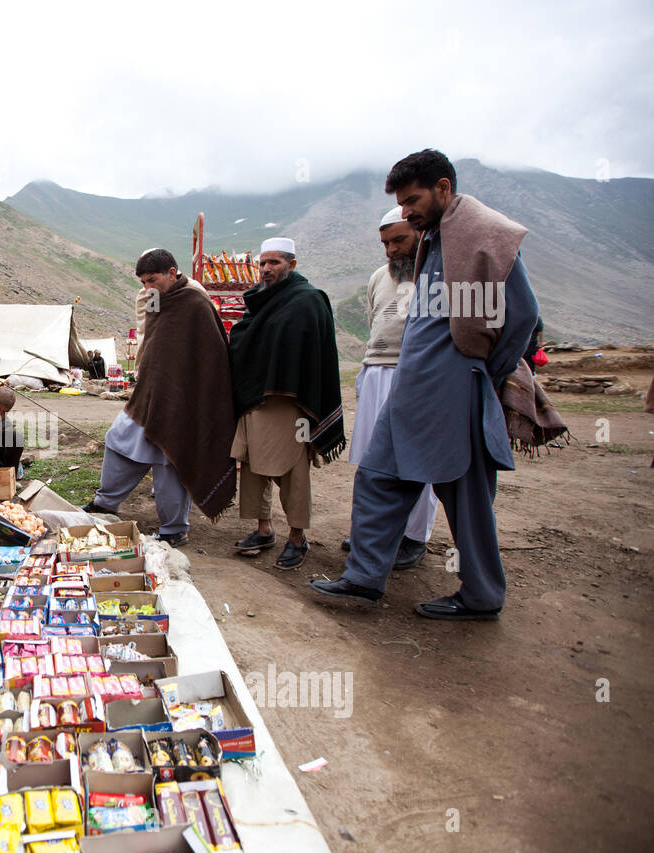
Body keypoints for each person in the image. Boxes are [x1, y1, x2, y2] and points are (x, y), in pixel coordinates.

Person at [311, 148, 562, 620]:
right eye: (402, 203)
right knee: (378, 476)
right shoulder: (437, 236)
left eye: (412, 200)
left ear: (443, 188)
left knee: (466, 500)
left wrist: (486, 368)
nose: (406, 212)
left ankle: (482, 597)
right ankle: (363, 579)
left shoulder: (487, 234)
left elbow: (524, 314)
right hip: (413, 388)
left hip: (456, 388)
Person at [83, 248, 236, 547]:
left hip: (182, 401)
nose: (148, 288)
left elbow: (212, 356)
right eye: (143, 282)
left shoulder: (195, 302)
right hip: (149, 392)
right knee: (119, 440)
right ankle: (105, 503)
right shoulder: (154, 302)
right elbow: (151, 346)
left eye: (153, 280)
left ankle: (175, 529)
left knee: (170, 460)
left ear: (172, 273)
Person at [228, 238, 343, 570]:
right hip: (254, 400)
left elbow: (318, 353)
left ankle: (297, 537)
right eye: (263, 263)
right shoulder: (260, 300)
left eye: (274, 263)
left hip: (291, 405)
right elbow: (245, 341)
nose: (266, 269)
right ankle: (263, 529)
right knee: (251, 467)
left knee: (293, 473)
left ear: (291, 265)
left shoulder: (309, 300)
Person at [344, 206, 438, 569]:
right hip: (376, 371)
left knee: (417, 461)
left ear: (418, 233)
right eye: (385, 242)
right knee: (372, 460)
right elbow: (374, 322)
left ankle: (413, 538)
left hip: (414, 375)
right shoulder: (378, 277)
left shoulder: (436, 275)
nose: (391, 249)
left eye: (399, 239)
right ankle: (371, 534)